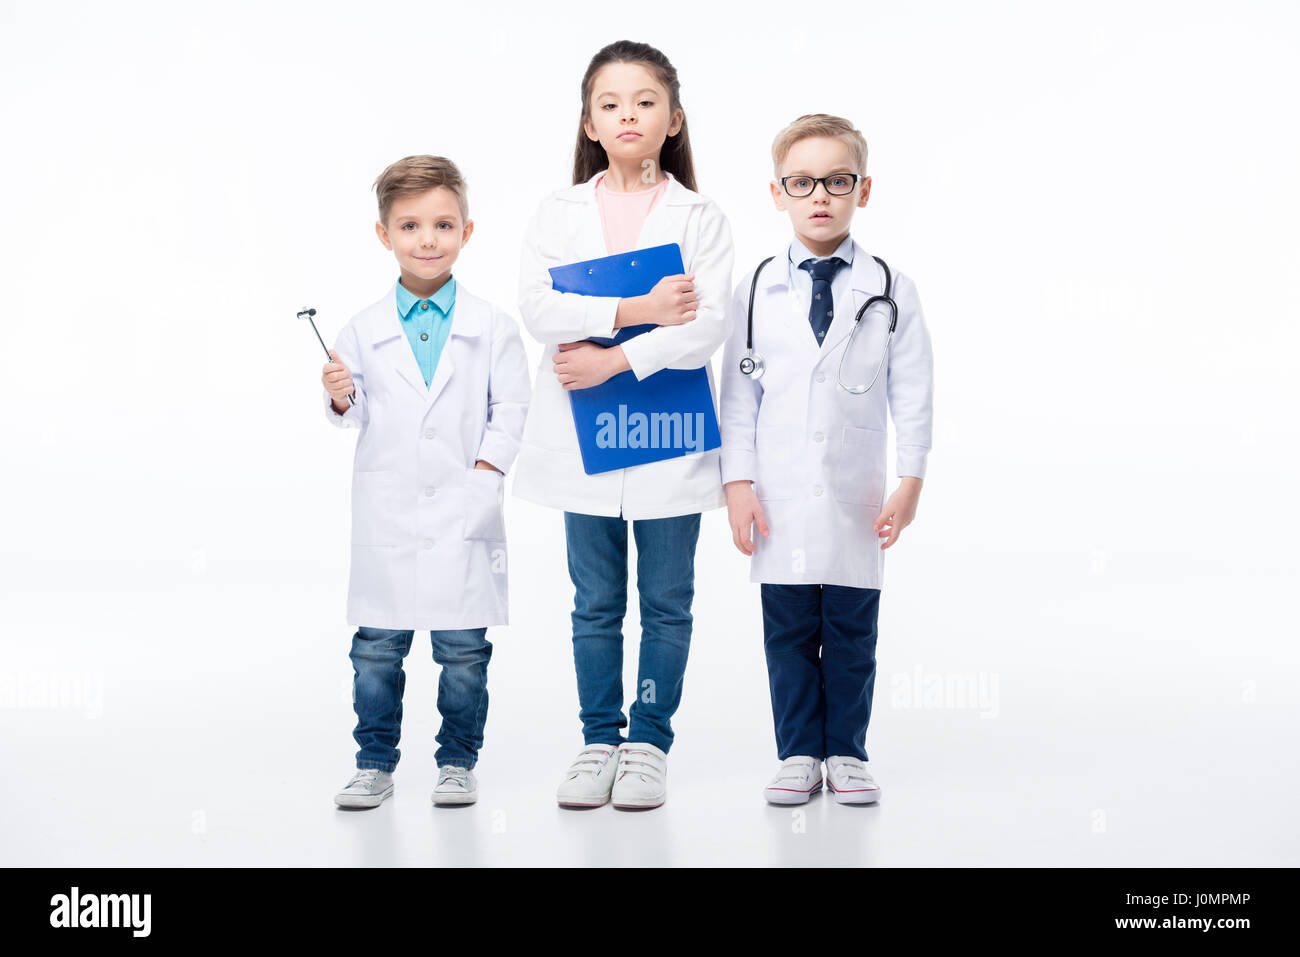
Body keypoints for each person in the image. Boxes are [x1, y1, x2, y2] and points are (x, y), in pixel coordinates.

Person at [513, 40, 734, 810]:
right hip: (585, 440)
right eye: (610, 103)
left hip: (666, 435)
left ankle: (648, 741)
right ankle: (598, 738)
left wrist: (613, 360)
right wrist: (640, 311)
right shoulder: (557, 210)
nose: (628, 114)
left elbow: (706, 327)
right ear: (589, 122)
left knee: (668, 599)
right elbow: (539, 308)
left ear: (673, 120)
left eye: (644, 101)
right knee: (596, 599)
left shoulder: (700, 217)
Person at [719, 115, 934, 805]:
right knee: (787, 630)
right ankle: (798, 752)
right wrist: (738, 484)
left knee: (849, 630)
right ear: (776, 192)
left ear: (862, 190)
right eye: (802, 181)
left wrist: (912, 478)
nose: (820, 195)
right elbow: (740, 396)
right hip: (777, 494)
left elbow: (914, 389)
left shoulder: (892, 287)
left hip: (856, 492)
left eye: (837, 181)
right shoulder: (753, 288)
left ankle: (846, 751)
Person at [321, 155, 531, 809]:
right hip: (390, 518)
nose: (428, 239)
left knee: (464, 651)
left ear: (467, 231)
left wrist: (484, 474)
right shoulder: (361, 330)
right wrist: (337, 395)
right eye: (410, 226)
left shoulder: (493, 326)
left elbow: (513, 408)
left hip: (465, 513)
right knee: (377, 650)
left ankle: (457, 761)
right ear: (384, 234)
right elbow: (355, 416)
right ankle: (374, 761)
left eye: (443, 224)